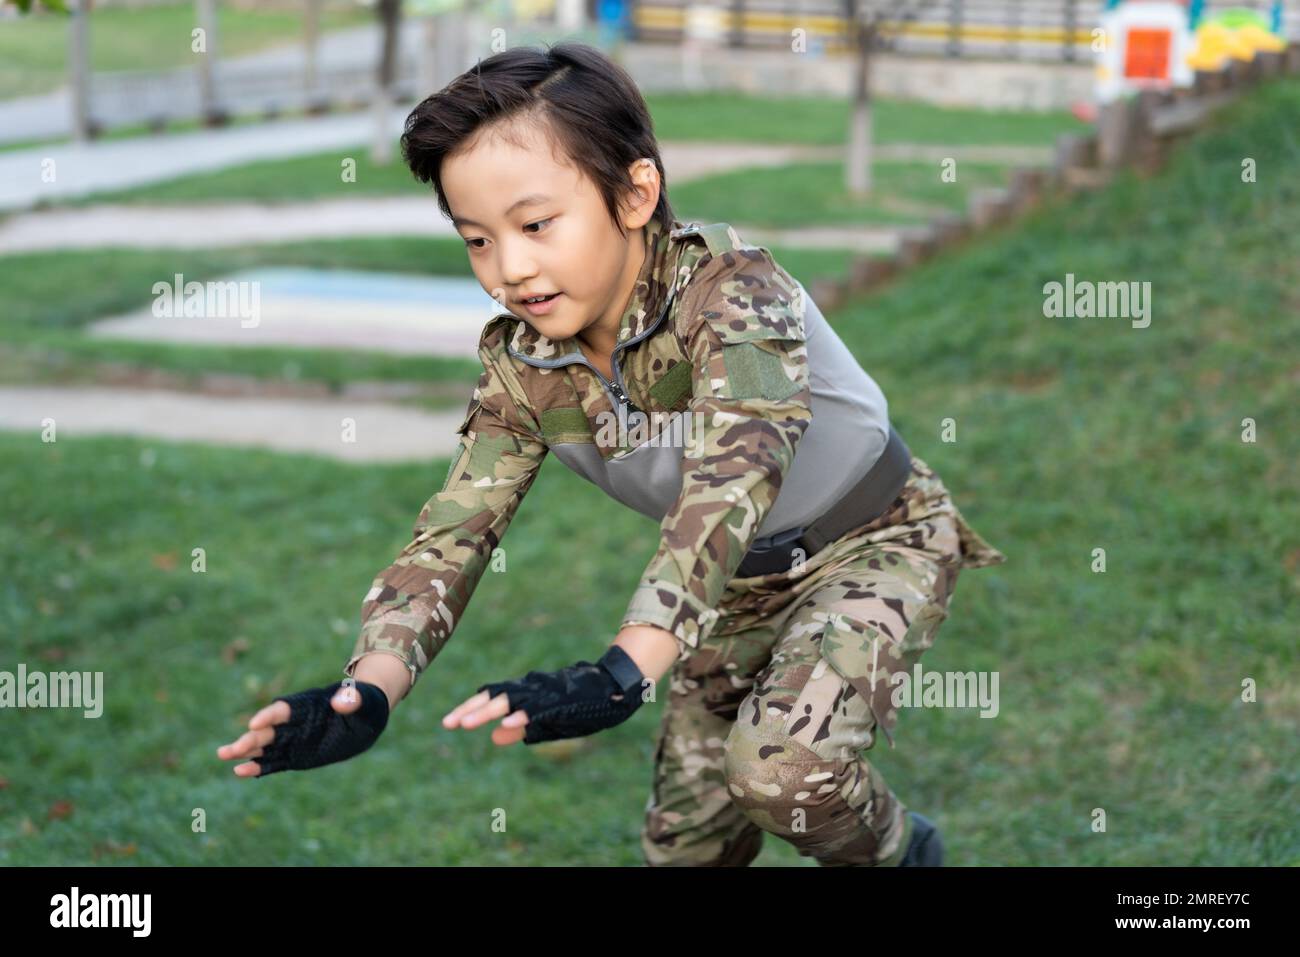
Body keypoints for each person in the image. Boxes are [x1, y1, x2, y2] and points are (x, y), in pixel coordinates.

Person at [217, 41, 1006, 867]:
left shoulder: (736, 292)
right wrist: (372, 686)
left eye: (535, 225)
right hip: (731, 591)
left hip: (877, 541)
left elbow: (733, 475)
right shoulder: (525, 368)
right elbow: (454, 532)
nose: (509, 269)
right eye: (477, 239)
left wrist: (623, 669)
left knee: (782, 770)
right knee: (685, 851)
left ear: (634, 194)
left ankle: (901, 852)